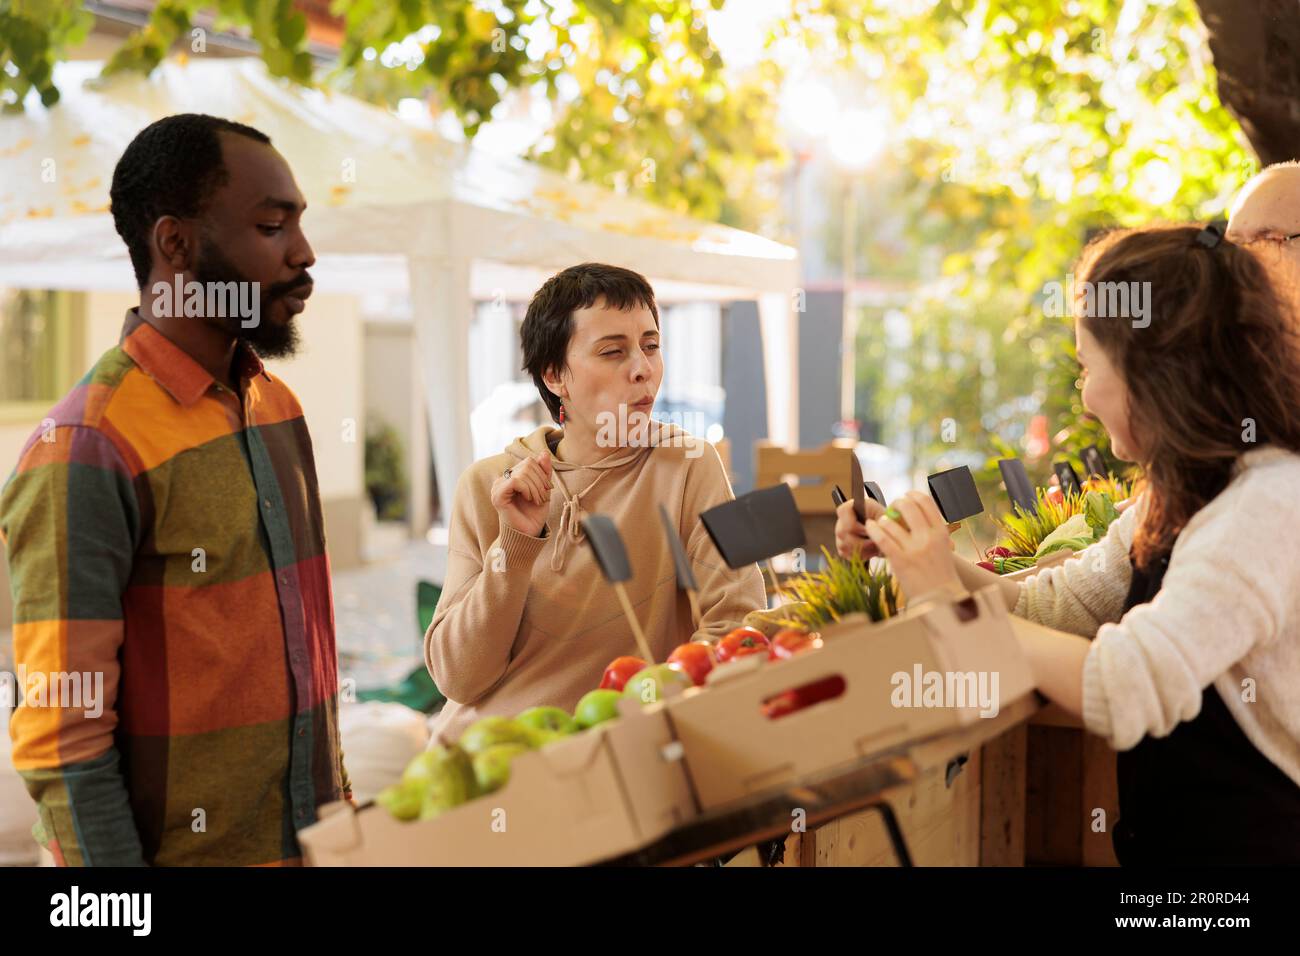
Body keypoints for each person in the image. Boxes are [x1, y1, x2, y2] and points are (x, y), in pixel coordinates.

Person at [836, 223, 1300, 864]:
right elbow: (1056, 611)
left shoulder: (1269, 505)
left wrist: (947, 599)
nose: (1083, 399)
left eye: (1089, 368)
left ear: (1155, 371)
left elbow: (1123, 684)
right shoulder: (1179, 494)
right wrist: (917, 554)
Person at [0, 113, 349, 866]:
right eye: (271, 225)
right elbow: (63, 739)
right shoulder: (86, 449)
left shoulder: (276, 407)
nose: (304, 253)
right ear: (176, 244)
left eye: (300, 225)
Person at [427, 263, 766, 741]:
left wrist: (641, 731)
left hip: (623, 757)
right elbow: (458, 677)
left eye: (651, 346)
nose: (642, 368)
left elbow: (738, 628)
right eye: (613, 351)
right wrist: (515, 546)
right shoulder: (487, 487)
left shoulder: (691, 465)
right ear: (555, 375)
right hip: (487, 763)